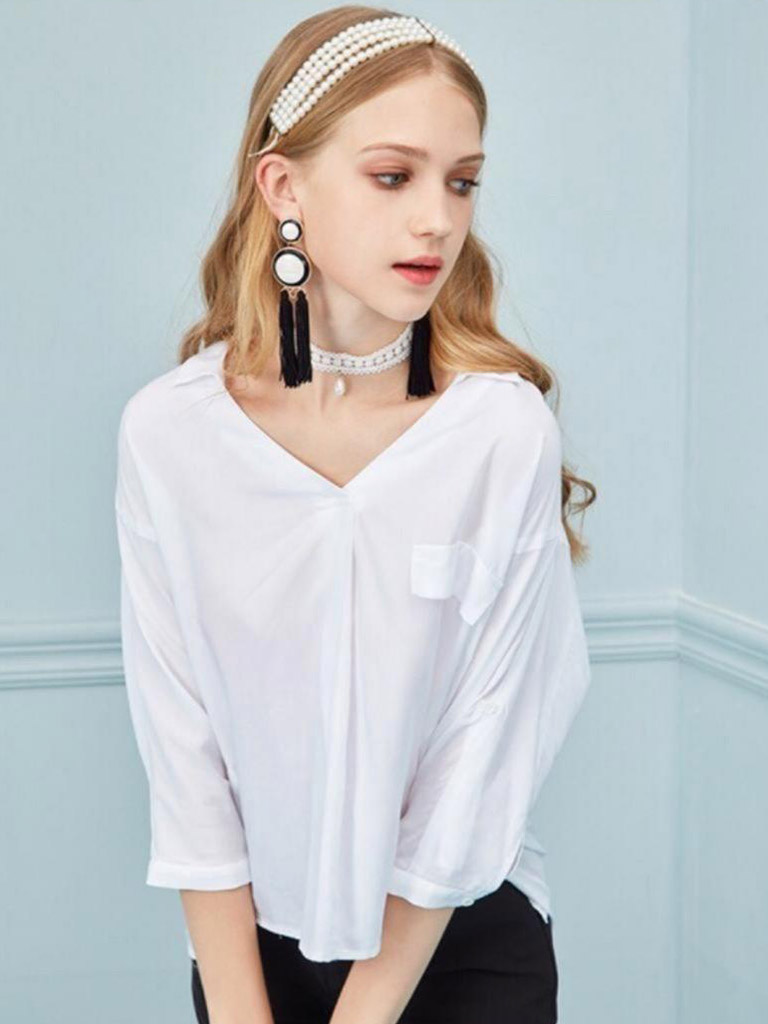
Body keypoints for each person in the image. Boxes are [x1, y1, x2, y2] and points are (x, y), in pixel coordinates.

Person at [114, 6, 597, 1023]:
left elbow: (481, 756)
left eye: (461, 181)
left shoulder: (499, 433)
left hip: (461, 949)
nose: (438, 220)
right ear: (282, 186)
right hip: (249, 959)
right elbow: (185, 758)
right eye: (393, 176)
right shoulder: (170, 435)